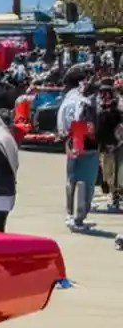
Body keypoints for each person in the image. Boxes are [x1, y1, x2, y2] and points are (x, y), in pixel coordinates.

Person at [58, 70, 100, 232]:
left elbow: (62, 124)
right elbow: (89, 126)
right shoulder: (86, 103)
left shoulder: (68, 100)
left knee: (72, 179)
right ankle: (78, 219)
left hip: (72, 142)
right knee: (86, 183)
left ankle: (71, 215)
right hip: (87, 145)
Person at [97, 83, 121, 212]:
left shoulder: (114, 111)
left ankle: (115, 200)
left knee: (112, 175)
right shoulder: (102, 109)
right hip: (104, 147)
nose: (103, 96)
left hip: (112, 146)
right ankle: (113, 197)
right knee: (106, 175)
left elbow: (117, 130)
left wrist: (114, 144)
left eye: (105, 93)